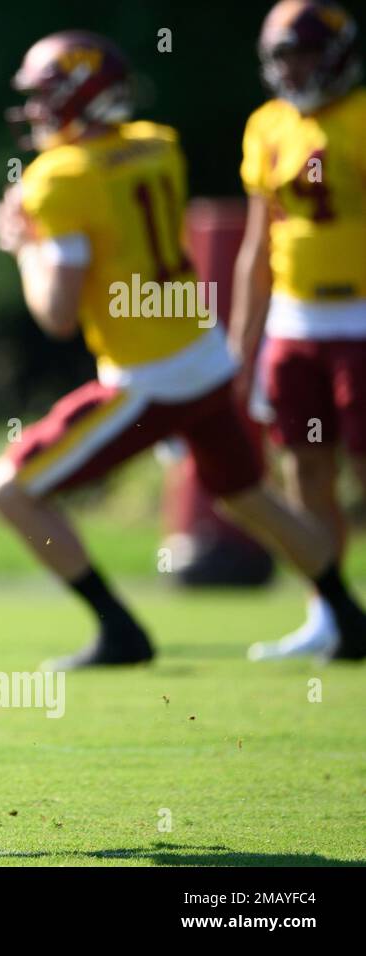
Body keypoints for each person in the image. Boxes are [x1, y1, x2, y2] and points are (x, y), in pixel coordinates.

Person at [0, 30, 366, 668]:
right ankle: (348, 616)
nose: (37, 112)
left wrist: (23, 244)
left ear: (81, 98)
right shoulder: (156, 146)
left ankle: (119, 630)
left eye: (48, 97)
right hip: (204, 356)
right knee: (251, 496)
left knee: (8, 491)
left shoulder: (60, 179)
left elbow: (55, 312)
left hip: (148, 378)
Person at [230, 0, 366, 661]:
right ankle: (329, 609)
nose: (298, 70)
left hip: (362, 318)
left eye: (308, 55)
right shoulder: (268, 126)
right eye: (287, 57)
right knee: (303, 467)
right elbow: (257, 245)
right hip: (295, 318)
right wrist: (241, 343)